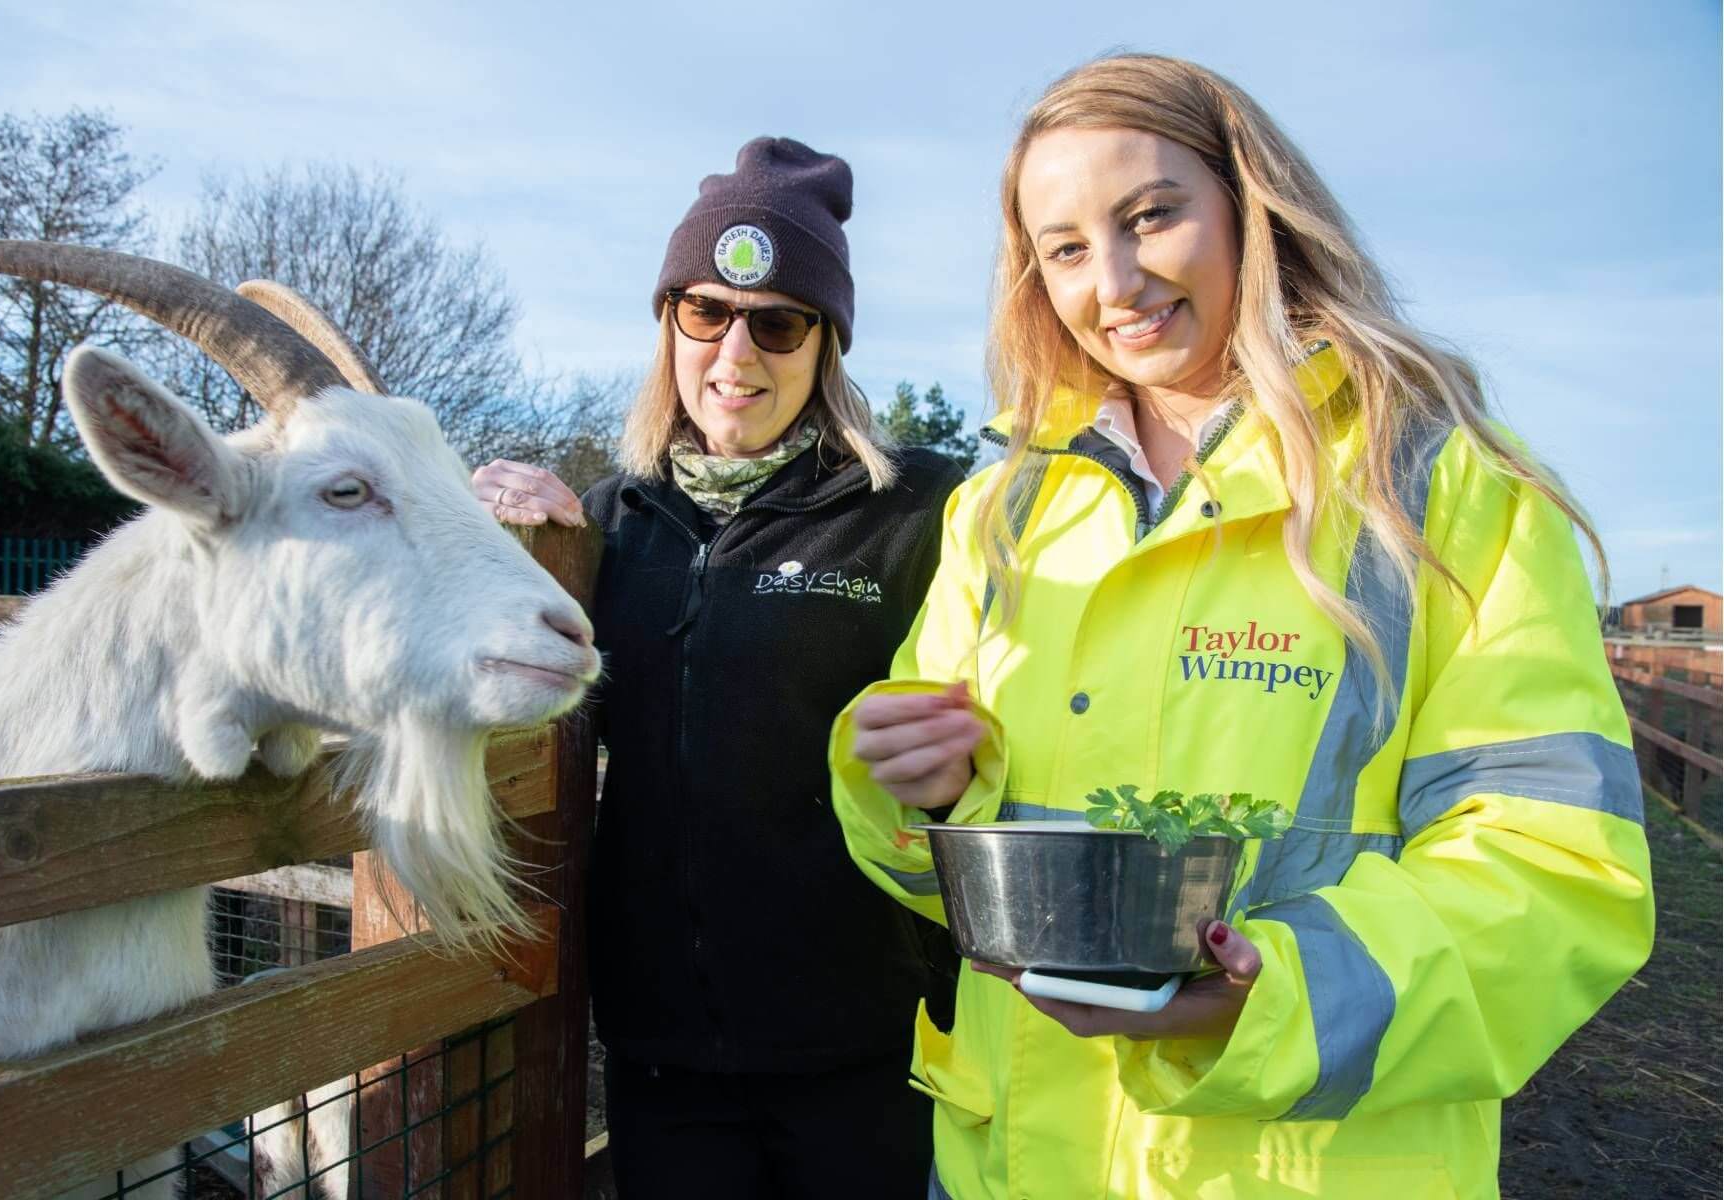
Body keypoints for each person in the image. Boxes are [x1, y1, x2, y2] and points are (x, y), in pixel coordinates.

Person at [829, 54, 1654, 1200]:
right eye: (1064, 247)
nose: (1112, 282)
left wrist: (1276, 992)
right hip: (1010, 1165)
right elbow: (943, 869)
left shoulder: (1440, 489)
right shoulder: (1004, 506)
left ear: (1249, 208)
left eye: (1151, 215)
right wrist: (914, 794)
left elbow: (1555, 867)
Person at [475, 136, 963, 1200]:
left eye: (778, 323)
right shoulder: (610, 523)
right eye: (706, 313)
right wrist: (501, 546)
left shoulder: (922, 513)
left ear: (825, 344)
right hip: (663, 1051)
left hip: (865, 1046)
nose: (736, 355)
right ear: (669, 326)